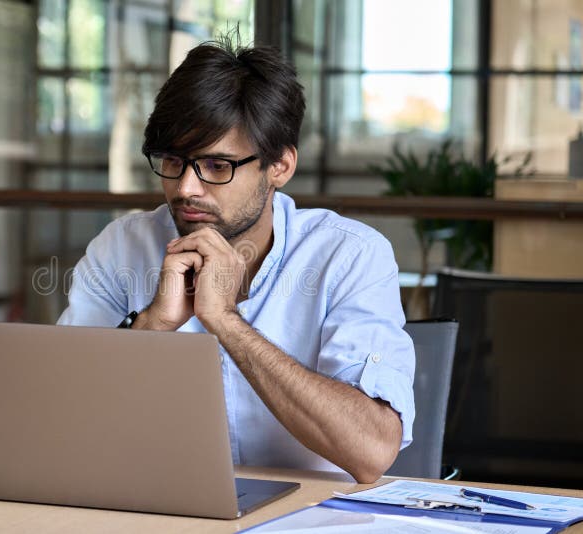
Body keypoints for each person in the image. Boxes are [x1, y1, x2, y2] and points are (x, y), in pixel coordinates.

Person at [57, 36, 415, 483]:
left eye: (217, 166)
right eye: (173, 160)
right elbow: (62, 424)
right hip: (158, 509)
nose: (186, 187)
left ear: (280, 167)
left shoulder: (350, 255)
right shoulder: (120, 247)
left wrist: (226, 321)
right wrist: (152, 327)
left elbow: (372, 451)